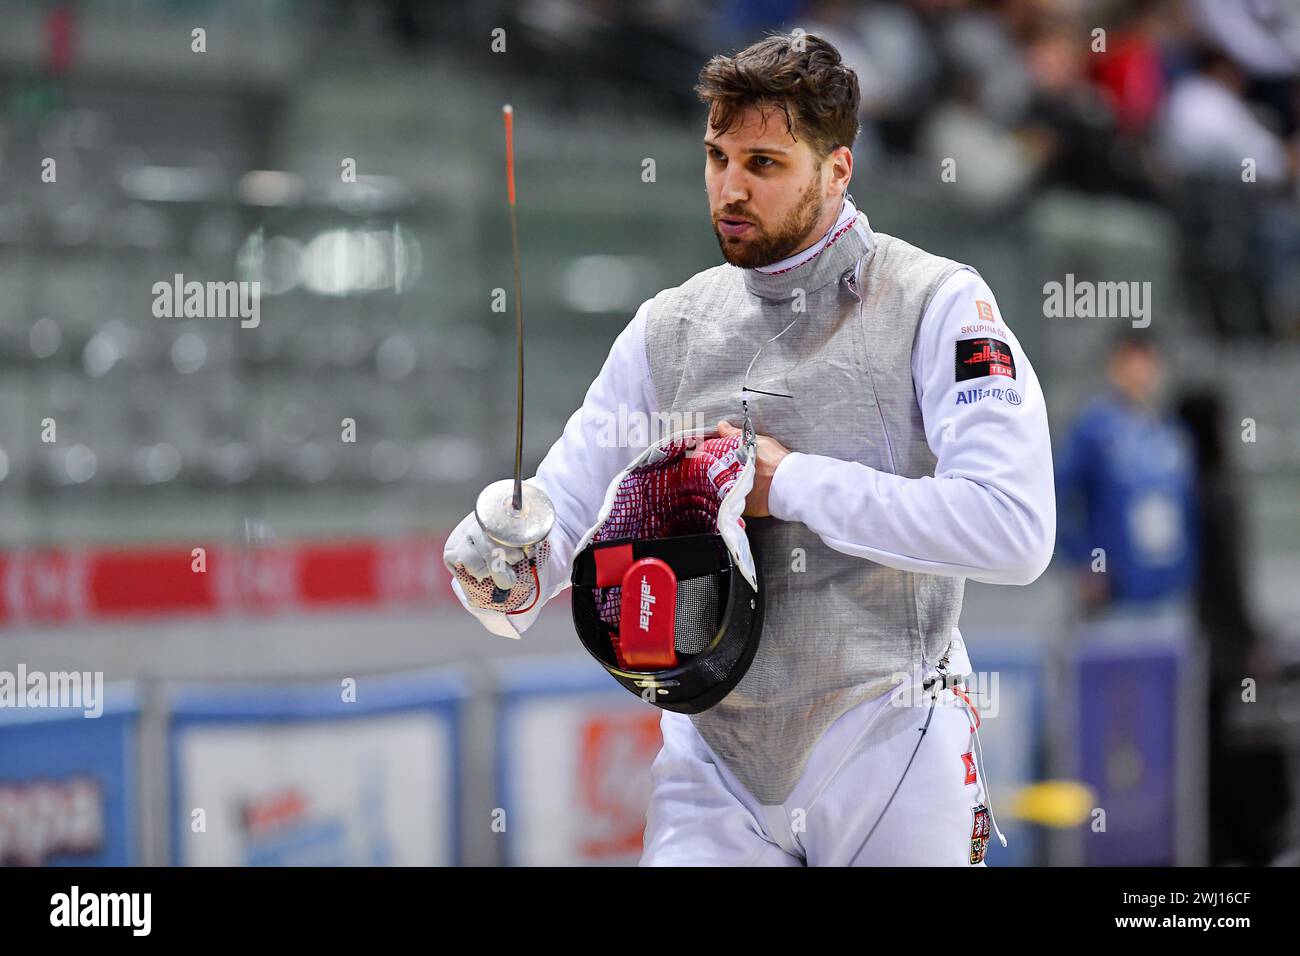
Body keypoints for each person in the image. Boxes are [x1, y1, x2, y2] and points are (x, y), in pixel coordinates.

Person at [445, 32, 1055, 865]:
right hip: (713, 765)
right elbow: (560, 519)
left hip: (890, 739)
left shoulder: (937, 303)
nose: (731, 188)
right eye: (717, 158)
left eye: (764, 164)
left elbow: (1013, 531)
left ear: (837, 170)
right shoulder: (669, 327)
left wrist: (788, 482)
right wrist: (502, 564)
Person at [1056, 333, 1196, 617]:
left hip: (1169, 590)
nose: (1141, 374)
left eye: (1148, 364)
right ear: (1115, 367)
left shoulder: (1169, 431)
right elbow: (1058, 498)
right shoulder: (1094, 428)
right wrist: (1084, 562)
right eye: (1132, 364)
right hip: (1115, 594)